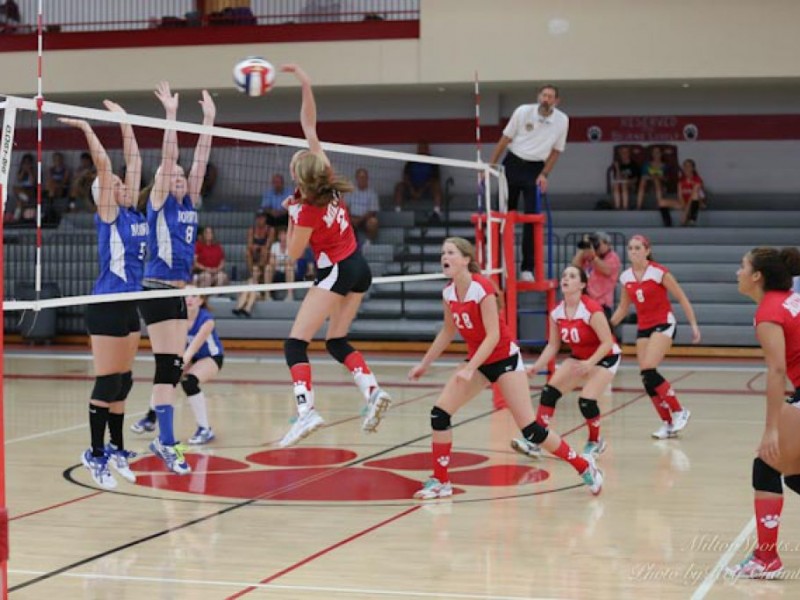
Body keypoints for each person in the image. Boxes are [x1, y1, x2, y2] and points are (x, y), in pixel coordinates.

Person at [408, 239, 603, 499]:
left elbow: (493, 335)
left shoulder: (482, 287)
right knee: (439, 414)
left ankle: (582, 464)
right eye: (442, 252)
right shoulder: (448, 293)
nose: (444, 256)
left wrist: (469, 368)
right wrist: (424, 364)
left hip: (504, 359)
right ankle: (441, 481)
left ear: (466, 259)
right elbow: (447, 331)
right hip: (478, 361)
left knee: (531, 430)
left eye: (451, 252)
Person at [277, 63, 391, 447]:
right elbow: (309, 126)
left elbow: (292, 255)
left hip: (337, 271)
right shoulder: (327, 177)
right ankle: (373, 392)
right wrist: (306, 82)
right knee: (336, 341)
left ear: (298, 178)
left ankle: (306, 412)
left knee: (295, 343)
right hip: (359, 266)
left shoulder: (304, 209)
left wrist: (291, 216)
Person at [60, 100, 145, 489]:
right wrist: (86, 127)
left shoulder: (136, 213)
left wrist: (126, 121)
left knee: (124, 381)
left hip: (129, 306)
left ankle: (117, 448)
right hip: (107, 305)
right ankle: (94, 454)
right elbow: (107, 166)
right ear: (105, 195)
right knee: (108, 381)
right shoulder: (108, 214)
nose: (124, 185)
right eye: (116, 185)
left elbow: (134, 160)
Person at [134, 81, 215, 474]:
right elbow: (172, 158)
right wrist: (170, 115)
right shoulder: (160, 201)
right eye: (174, 176)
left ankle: (164, 439)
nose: (180, 178)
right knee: (168, 364)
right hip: (157, 288)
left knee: (171, 368)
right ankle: (165, 441)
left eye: (184, 177)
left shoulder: (189, 202)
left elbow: (198, 160)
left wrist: (209, 121)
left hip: (178, 293)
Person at [726, 247, 800, 579]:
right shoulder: (790, 298)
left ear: (757, 276)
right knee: (794, 471)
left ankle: (766, 558)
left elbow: (776, 370)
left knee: (766, 464)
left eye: (742, 267)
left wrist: (771, 430)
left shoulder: (769, 311)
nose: (737, 273)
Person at [510, 265, 622, 460]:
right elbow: (553, 345)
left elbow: (607, 342)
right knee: (549, 392)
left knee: (586, 401)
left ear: (582, 284)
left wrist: (590, 363)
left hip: (605, 357)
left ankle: (595, 442)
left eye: (572, 276)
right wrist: (537, 367)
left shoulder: (591, 309)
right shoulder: (557, 312)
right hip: (580, 357)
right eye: (564, 276)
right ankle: (535, 441)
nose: (566, 279)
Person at [609, 235, 700, 439]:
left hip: (664, 323)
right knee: (646, 377)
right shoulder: (626, 277)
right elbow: (623, 308)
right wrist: (607, 327)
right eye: (630, 248)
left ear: (647, 250)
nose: (633, 251)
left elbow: (681, 297)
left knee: (649, 369)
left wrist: (693, 324)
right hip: (644, 327)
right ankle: (667, 424)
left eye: (638, 248)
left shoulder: (659, 272)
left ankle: (679, 411)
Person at [486, 84, 569, 281]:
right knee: (504, 216)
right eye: (543, 95)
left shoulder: (562, 120)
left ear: (556, 101)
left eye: (550, 96)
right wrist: (490, 166)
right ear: (538, 96)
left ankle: (527, 268)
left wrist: (544, 174)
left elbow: (557, 151)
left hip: (535, 169)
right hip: (512, 163)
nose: (546, 99)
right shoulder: (523, 111)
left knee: (532, 218)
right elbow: (505, 139)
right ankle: (498, 264)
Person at [182, 289, 223, 445]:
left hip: (211, 357)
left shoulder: (206, 320)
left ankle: (205, 429)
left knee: (189, 381)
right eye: (185, 295)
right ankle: (151, 417)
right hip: (192, 358)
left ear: (200, 300)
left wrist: (178, 365)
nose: (189, 299)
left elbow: (192, 348)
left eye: (194, 295)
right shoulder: (179, 319)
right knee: (165, 378)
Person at [572, 232, 621, 321]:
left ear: (607, 244)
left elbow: (606, 270)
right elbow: (575, 267)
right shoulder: (588, 255)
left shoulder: (612, 257)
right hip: (584, 303)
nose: (595, 246)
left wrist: (593, 257)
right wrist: (584, 248)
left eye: (598, 243)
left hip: (601, 305)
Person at [393, 142, 443, 222]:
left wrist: (421, 190)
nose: (422, 150)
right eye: (420, 148)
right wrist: (411, 189)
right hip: (411, 188)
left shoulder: (433, 161)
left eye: (424, 148)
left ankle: (436, 212)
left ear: (427, 149)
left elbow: (434, 179)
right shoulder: (412, 161)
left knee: (436, 186)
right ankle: (398, 212)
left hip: (427, 190)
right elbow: (405, 177)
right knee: (399, 186)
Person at [348, 167, 380, 246]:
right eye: (360, 177)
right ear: (356, 178)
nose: (362, 179)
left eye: (364, 177)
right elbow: (345, 206)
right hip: (352, 217)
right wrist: (351, 218)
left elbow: (372, 211)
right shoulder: (350, 191)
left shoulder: (372, 193)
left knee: (373, 222)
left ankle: (368, 242)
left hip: (365, 219)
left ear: (367, 178)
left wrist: (359, 219)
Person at [265, 227, 295, 301]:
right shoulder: (275, 246)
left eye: (285, 234)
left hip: (288, 271)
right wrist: (284, 262)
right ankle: (267, 295)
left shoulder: (291, 246)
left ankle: (290, 295)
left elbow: (291, 262)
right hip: (276, 271)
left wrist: (278, 261)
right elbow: (271, 261)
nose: (283, 237)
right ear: (279, 236)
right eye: (282, 234)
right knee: (268, 268)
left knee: (289, 268)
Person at [636, 146, 667, 211]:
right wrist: (651, 177)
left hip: (660, 182)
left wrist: (658, 177)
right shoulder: (647, 164)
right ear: (652, 154)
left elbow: (666, 178)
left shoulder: (664, 165)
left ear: (661, 154)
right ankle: (638, 206)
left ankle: (660, 206)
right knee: (643, 181)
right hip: (648, 182)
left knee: (656, 180)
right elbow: (643, 176)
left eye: (658, 152)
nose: (656, 154)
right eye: (654, 153)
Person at [609, 146, 639, 210]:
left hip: (630, 184)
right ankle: (617, 207)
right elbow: (617, 178)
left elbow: (636, 179)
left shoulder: (633, 164)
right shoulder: (618, 164)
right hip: (620, 183)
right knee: (616, 185)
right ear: (620, 154)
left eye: (626, 152)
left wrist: (627, 181)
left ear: (629, 153)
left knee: (624, 185)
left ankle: (625, 208)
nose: (624, 154)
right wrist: (617, 168)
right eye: (622, 152)